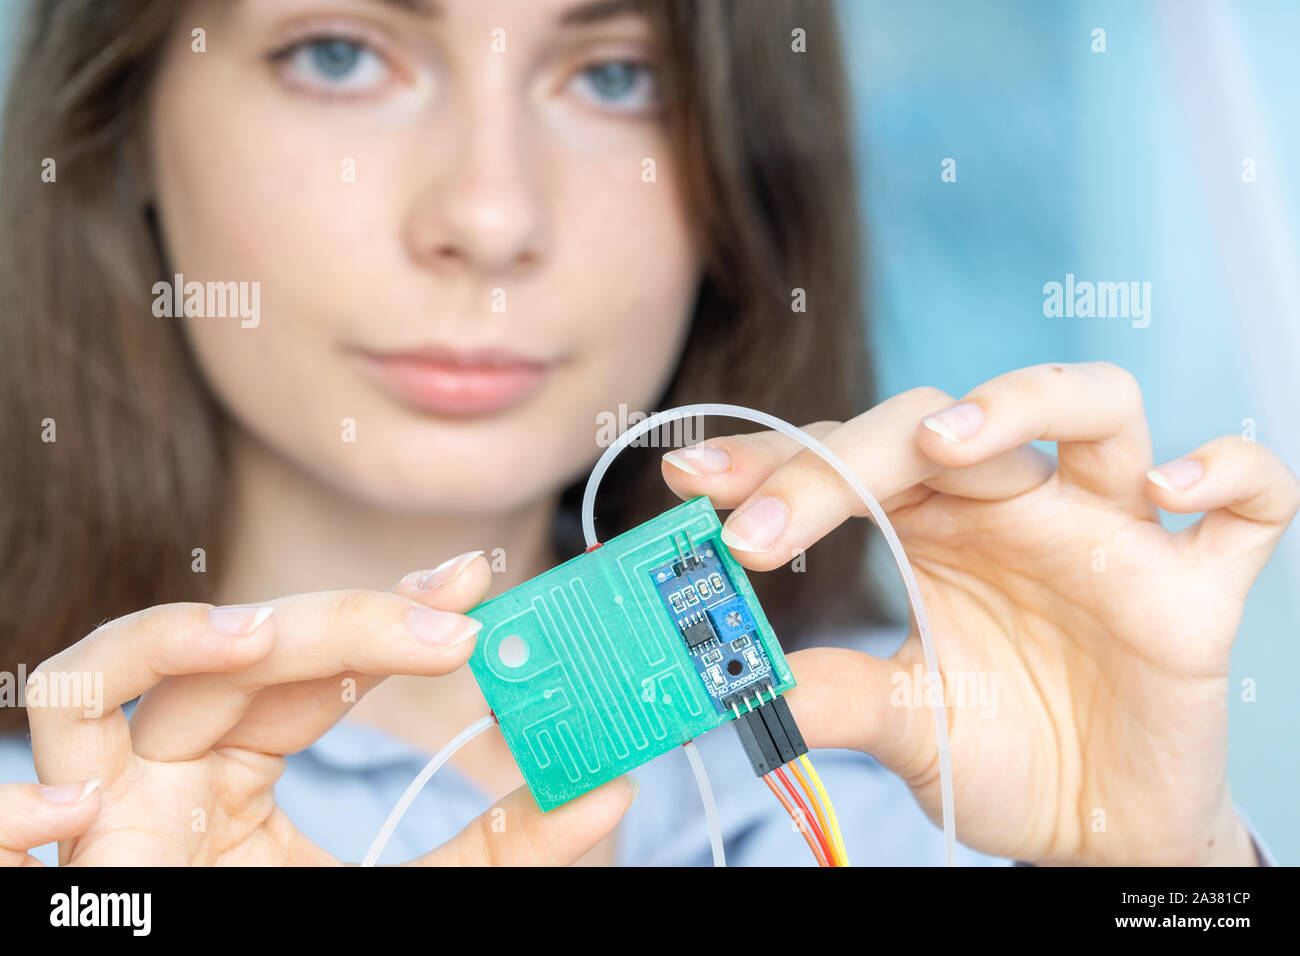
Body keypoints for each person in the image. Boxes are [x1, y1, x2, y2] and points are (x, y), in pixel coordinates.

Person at [0, 0, 1293, 867]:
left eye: (615, 76)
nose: (493, 215)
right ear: (125, 128)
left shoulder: (952, 766)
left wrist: (1173, 873)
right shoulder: (50, 835)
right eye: (340, 52)